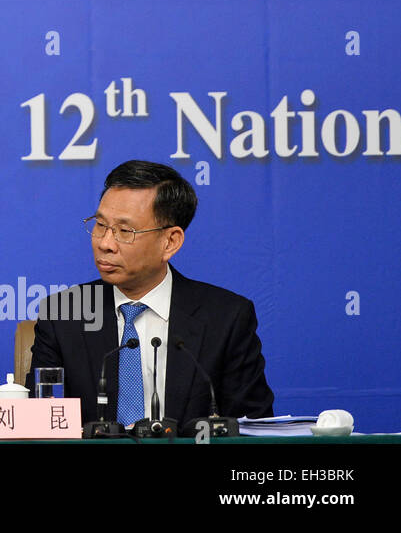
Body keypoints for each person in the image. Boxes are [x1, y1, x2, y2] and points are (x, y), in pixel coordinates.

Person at [27, 160, 274, 427]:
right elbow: (40, 423)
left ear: (170, 241)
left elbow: (254, 427)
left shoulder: (226, 318)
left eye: (125, 231)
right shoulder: (65, 313)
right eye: (100, 225)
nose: (105, 243)